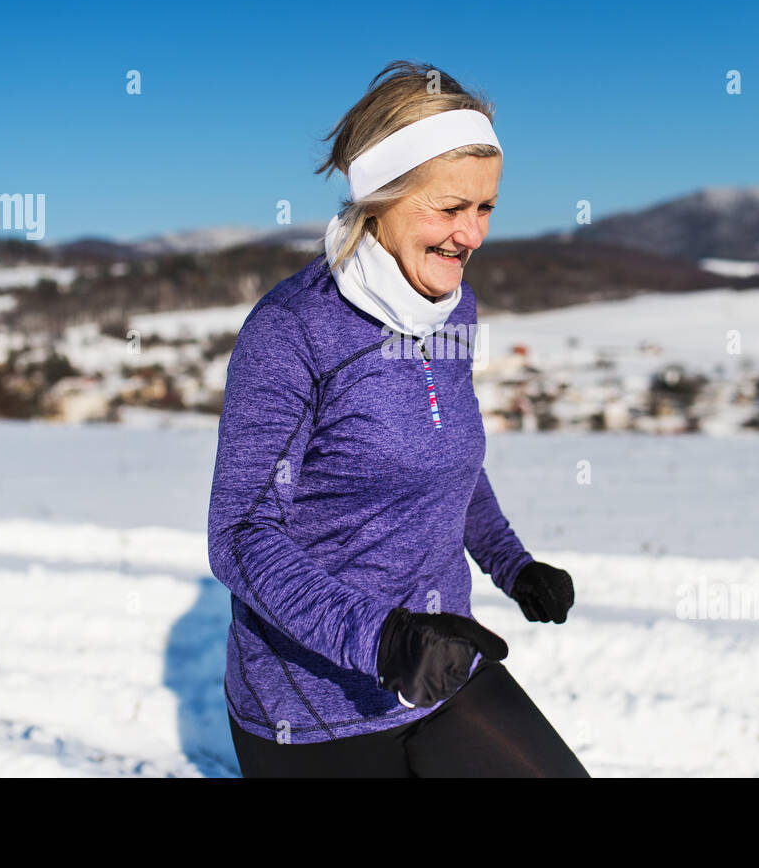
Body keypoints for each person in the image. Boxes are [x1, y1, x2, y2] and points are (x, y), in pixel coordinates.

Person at [208, 60, 588, 777]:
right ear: (380, 196)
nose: (471, 234)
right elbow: (239, 533)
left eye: (486, 208)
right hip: (314, 702)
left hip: (441, 666)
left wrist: (513, 563)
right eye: (450, 208)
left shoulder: (455, 310)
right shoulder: (293, 331)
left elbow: (449, 458)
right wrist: (383, 640)